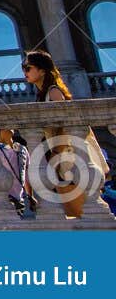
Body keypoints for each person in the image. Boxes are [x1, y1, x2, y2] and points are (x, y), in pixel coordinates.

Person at [22, 49, 104, 220]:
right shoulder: (43, 94)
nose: (24, 72)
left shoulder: (53, 92)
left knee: (78, 210)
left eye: (28, 67)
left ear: (42, 70)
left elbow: (67, 126)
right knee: (73, 210)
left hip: (67, 157)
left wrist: (56, 155)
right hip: (60, 157)